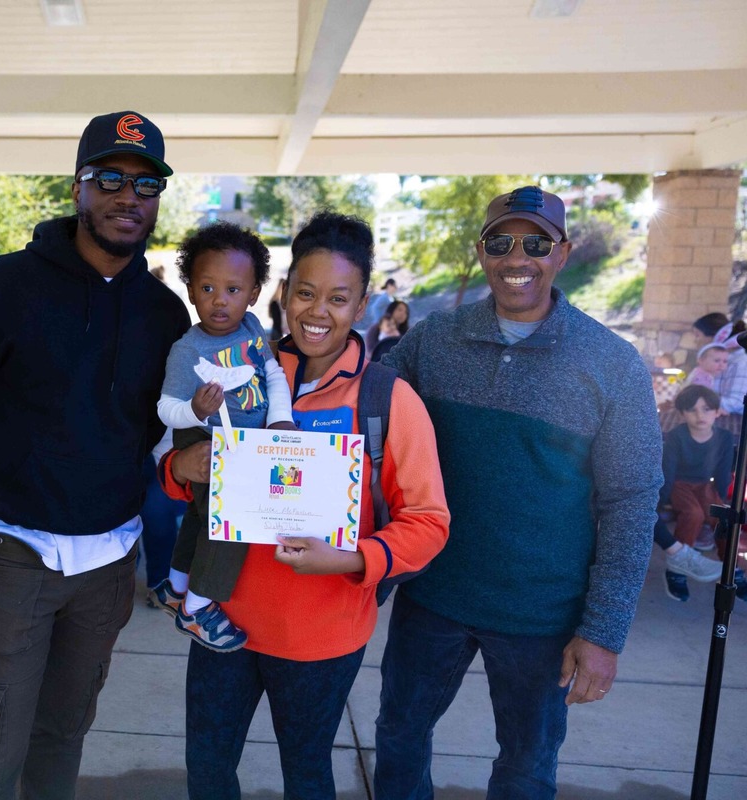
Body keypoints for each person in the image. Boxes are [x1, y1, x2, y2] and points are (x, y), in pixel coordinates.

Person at [374, 185, 663, 800]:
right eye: (501, 242)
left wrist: (604, 632)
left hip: (544, 618)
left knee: (526, 770)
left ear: (561, 252)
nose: (518, 257)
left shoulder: (612, 363)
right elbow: (358, 407)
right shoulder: (434, 340)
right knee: (399, 739)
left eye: (537, 243)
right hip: (434, 596)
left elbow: (631, 504)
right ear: (482, 252)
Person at [0, 109, 190, 800]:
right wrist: (12, 481)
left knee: (65, 730)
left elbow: (149, 427)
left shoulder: (166, 315)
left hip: (109, 558)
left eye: (145, 186)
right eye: (110, 178)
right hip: (10, 548)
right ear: (78, 186)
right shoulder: (3, 285)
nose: (127, 197)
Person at [158, 211, 450, 799]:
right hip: (224, 622)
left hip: (321, 638)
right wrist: (177, 469)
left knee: (308, 779)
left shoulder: (386, 399)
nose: (319, 312)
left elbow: (429, 523)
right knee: (208, 774)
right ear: (285, 293)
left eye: (339, 298)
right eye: (307, 293)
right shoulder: (244, 364)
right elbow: (182, 467)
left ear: (363, 302)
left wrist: (350, 560)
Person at [148, 221, 295, 652]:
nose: (219, 300)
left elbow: (270, 374)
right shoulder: (187, 350)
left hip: (246, 442)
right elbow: (164, 408)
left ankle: (176, 589)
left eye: (233, 290)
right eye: (208, 288)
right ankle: (197, 610)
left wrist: (280, 420)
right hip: (203, 436)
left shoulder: (251, 329)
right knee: (232, 527)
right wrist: (194, 409)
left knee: (200, 520)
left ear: (252, 295)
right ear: (190, 290)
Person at [654, 384, 731, 601]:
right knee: (693, 514)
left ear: (717, 412)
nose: (700, 415)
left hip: (705, 485)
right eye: (692, 410)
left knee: (722, 518)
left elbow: (723, 471)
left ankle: (730, 567)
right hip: (680, 484)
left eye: (706, 409)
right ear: (682, 414)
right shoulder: (676, 436)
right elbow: (668, 470)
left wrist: (720, 500)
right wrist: (663, 502)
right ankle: (677, 568)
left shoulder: (723, 437)